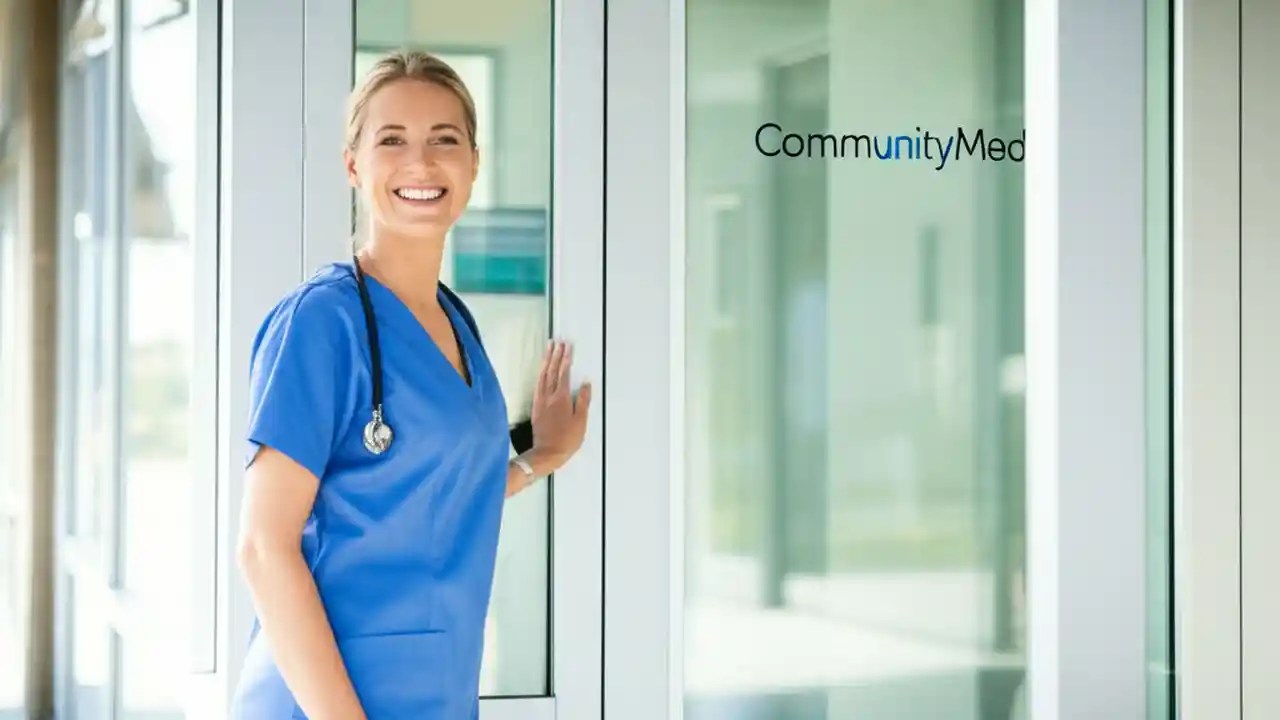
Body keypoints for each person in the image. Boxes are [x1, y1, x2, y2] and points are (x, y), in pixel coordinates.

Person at [229, 50, 591, 719]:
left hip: (435, 693)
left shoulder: (457, 323)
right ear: (353, 166)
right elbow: (263, 545)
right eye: (391, 140)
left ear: (474, 165)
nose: (421, 164)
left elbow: (434, 492)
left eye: (443, 141)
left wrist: (542, 458)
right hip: (323, 703)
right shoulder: (321, 322)